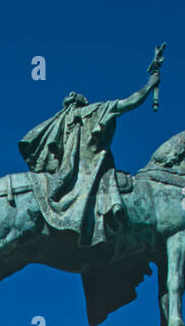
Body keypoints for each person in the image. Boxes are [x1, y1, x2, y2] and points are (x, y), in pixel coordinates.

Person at [17, 67, 160, 254]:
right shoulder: (98, 110)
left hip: (68, 173)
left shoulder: (61, 120)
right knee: (113, 185)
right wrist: (150, 84)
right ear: (84, 102)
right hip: (94, 171)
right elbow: (131, 102)